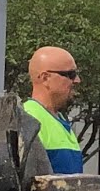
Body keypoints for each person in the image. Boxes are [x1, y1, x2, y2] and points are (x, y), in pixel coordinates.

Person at [23, 46, 83, 174]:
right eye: (70, 75)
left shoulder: (59, 120)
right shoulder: (28, 119)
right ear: (45, 78)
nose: (77, 80)